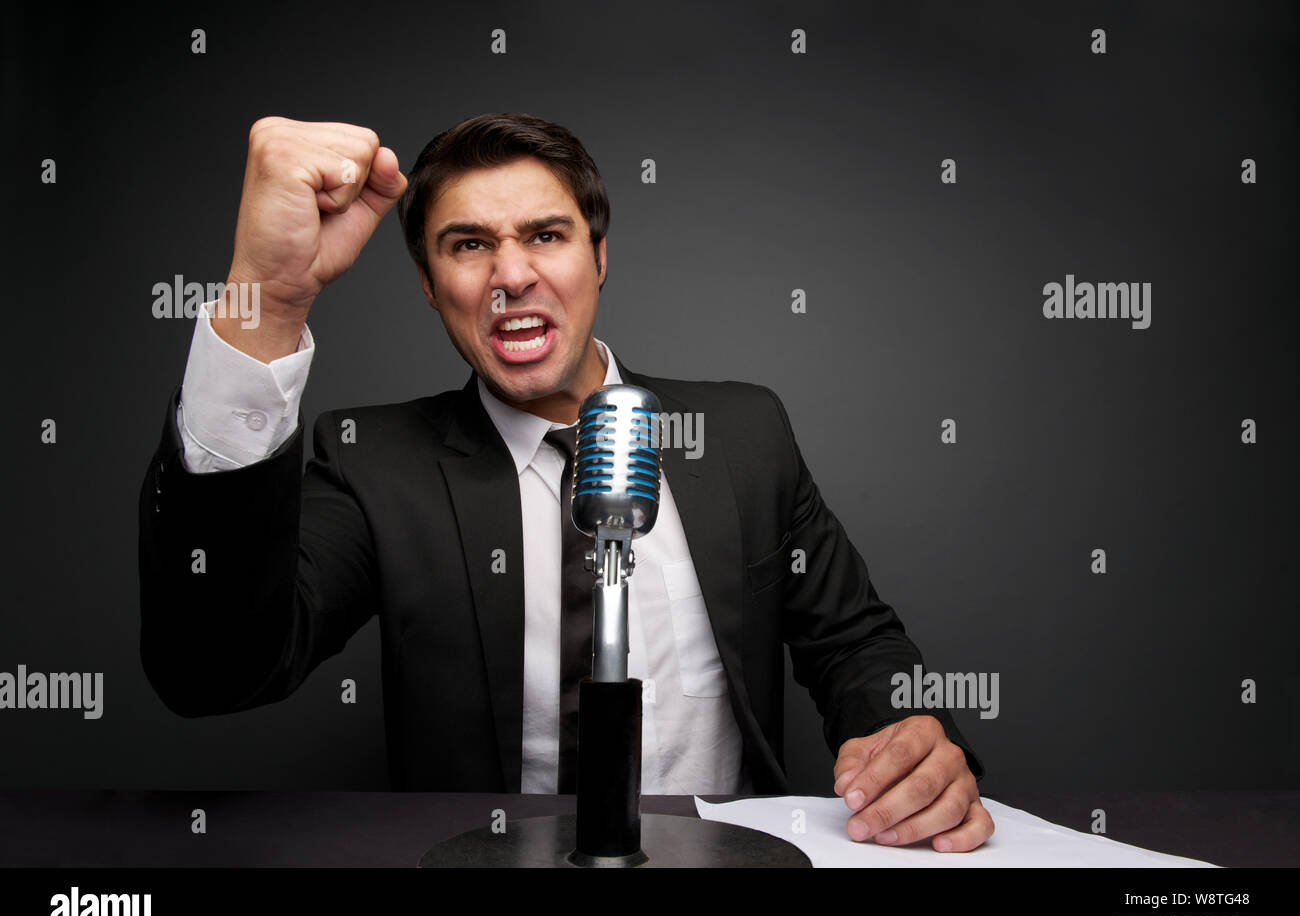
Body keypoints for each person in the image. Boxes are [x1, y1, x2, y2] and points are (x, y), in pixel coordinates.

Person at [139, 113, 994, 852]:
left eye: (545, 235)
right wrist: (270, 299)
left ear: (599, 255)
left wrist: (904, 742)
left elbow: (855, 644)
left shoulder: (743, 435)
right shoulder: (376, 460)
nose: (512, 275)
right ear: (431, 286)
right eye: (468, 245)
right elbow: (212, 669)